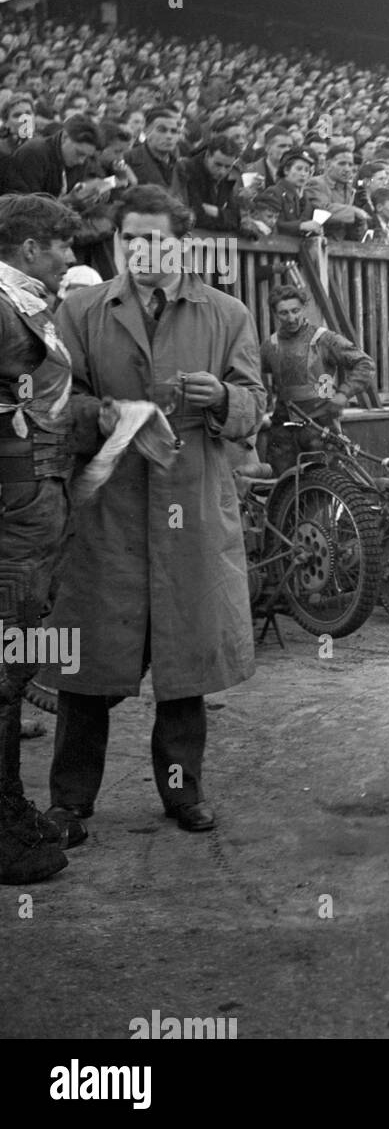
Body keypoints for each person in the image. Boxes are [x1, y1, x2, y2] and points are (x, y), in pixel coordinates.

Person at [37, 185, 266, 839]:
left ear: (183, 241)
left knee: (183, 666)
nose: (143, 250)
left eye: (156, 239)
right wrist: (101, 414)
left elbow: (253, 405)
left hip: (190, 502)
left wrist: (222, 395)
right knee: (87, 666)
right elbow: (54, 405)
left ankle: (181, 791)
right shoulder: (80, 311)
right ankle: (70, 801)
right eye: (130, 239)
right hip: (106, 509)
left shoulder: (227, 313)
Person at [0, 195, 107, 880]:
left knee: (18, 654)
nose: (73, 257)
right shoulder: (4, 302)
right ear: (34, 246)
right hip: (16, 504)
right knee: (6, 662)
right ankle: (4, 824)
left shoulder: (22, 298)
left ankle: (9, 809)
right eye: (64, 245)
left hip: (34, 500)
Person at [260, 286, 376, 475]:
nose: (291, 318)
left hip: (320, 427)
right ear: (275, 314)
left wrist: (343, 393)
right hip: (284, 432)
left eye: (295, 311)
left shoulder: (324, 339)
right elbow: (255, 380)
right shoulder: (269, 346)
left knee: (329, 485)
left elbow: (365, 364)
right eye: (283, 313)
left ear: (304, 309)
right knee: (284, 488)